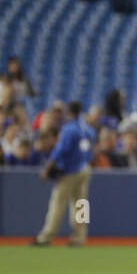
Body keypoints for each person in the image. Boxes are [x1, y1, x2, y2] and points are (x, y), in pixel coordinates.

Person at [32, 100, 93, 247]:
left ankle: (46, 236)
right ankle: (79, 237)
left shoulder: (69, 129)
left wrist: (48, 167)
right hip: (84, 168)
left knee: (57, 204)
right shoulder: (87, 129)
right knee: (81, 205)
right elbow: (90, 149)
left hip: (70, 171)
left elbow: (60, 150)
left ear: (69, 112)